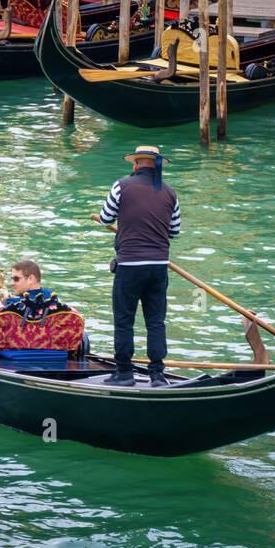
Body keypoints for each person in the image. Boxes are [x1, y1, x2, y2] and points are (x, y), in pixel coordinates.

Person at [97, 144, 181, 387]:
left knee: (124, 319)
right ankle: (157, 374)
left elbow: (105, 218)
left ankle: (123, 373)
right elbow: (174, 231)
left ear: (135, 165)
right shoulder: (170, 192)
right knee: (156, 321)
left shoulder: (121, 186)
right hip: (158, 266)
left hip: (130, 264)